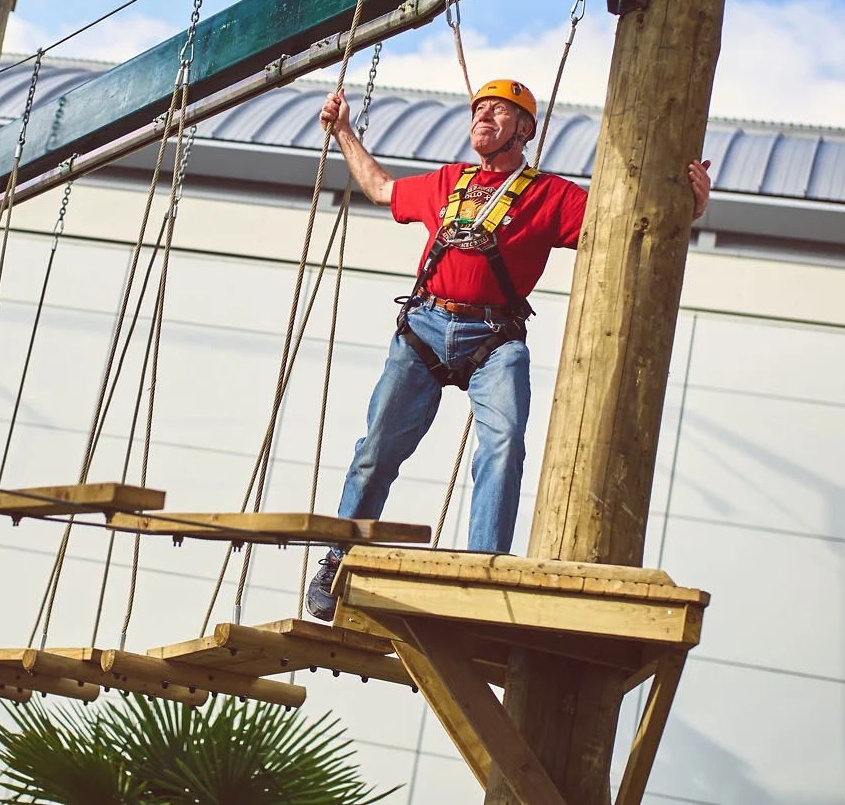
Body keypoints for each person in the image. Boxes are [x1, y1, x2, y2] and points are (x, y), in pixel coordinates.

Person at [303, 78, 712, 621]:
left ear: (524, 130)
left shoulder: (552, 196)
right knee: (376, 448)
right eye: (479, 109)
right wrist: (344, 132)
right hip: (425, 327)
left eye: (499, 111)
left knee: (504, 445)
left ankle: (481, 573)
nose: (483, 116)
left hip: (494, 337)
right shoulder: (449, 182)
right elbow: (381, 188)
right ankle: (339, 559)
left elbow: (630, 228)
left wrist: (690, 209)